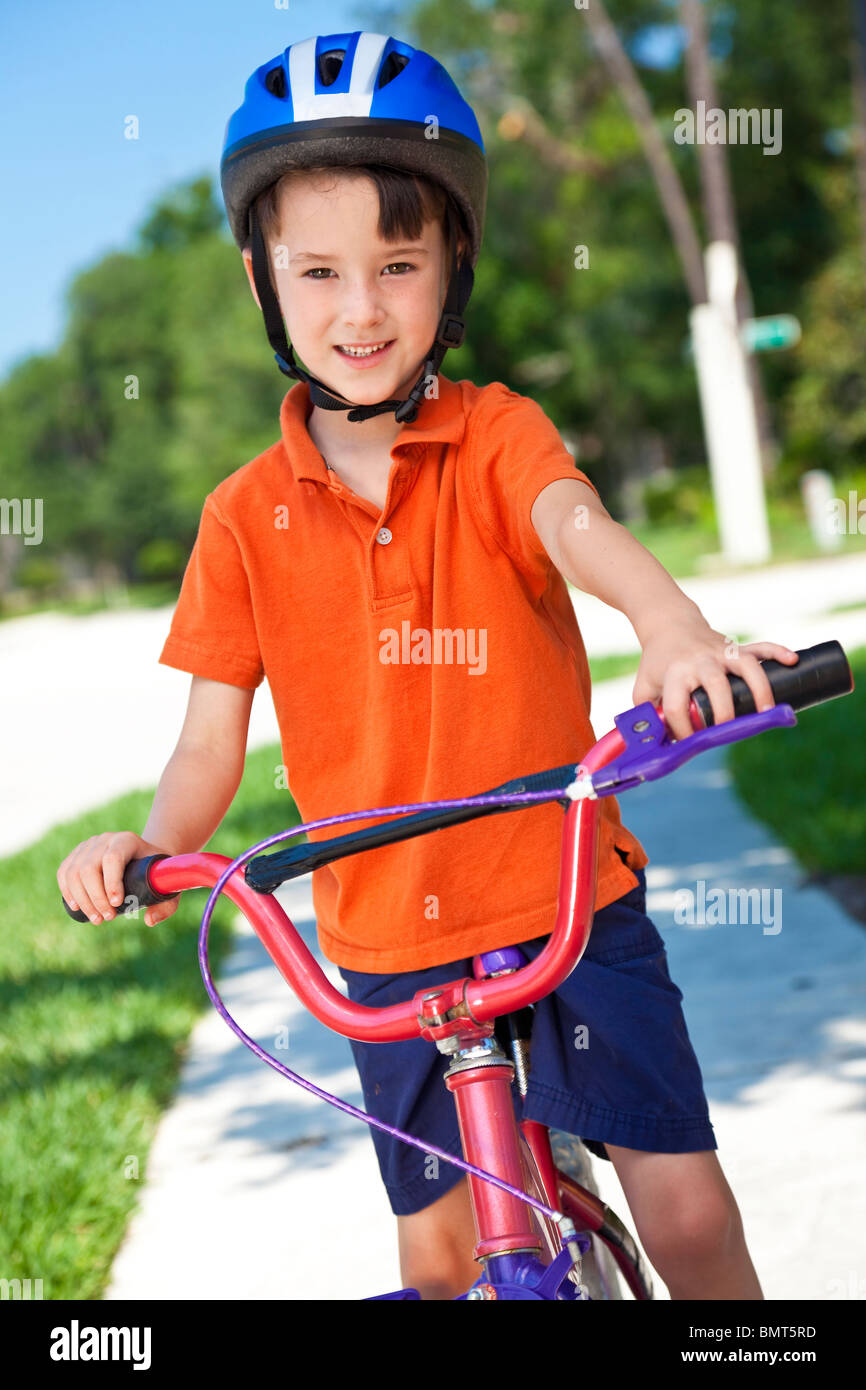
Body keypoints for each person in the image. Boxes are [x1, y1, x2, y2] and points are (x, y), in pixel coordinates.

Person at [57, 31, 798, 1300]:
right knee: (440, 1260)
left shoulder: (500, 434)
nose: (359, 309)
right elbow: (207, 738)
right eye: (320, 271)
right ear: (261, 284)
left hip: (563, 906)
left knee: (683, 1216)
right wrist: (152, 846)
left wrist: (673, 630)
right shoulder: (241, 517)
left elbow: (579, 527)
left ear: (451, 263)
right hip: (385, 947)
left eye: (397, 265)